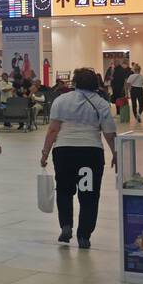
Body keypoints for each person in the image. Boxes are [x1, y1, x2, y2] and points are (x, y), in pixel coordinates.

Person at [41, 67, 118, 249]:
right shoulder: (101, 104)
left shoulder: (61, 100)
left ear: (74, 82)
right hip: (90, 153)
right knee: (89, 195)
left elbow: (53, 130)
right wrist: (116, 153)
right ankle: (84, 235)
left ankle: (66, 226)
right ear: (95, 84)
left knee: (65, 191)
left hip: (64, 152)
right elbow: (109, 133)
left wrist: (45, 152)